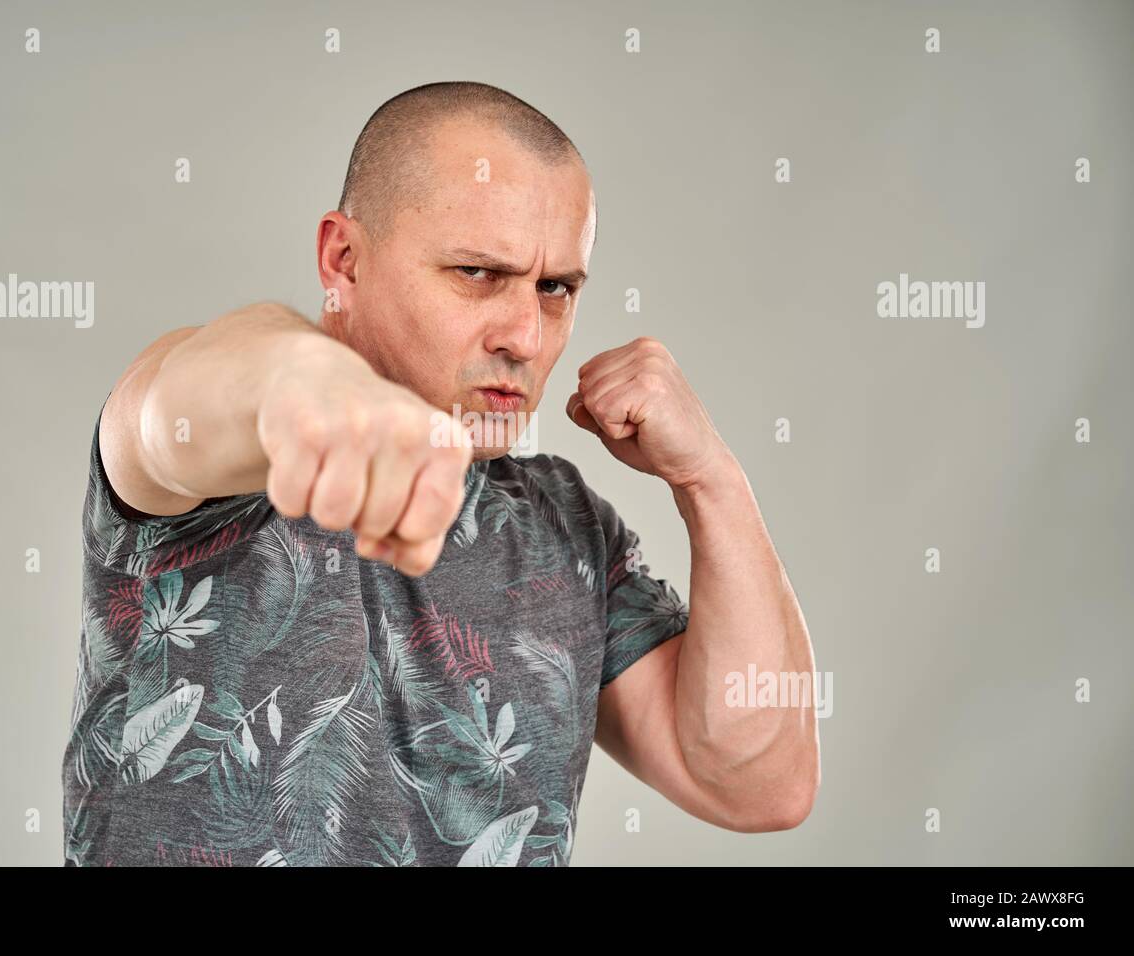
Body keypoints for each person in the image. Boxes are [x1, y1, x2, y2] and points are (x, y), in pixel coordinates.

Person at [62, 81, 820, 867]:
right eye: (477, 274)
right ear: (342, 260)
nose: (526, 335)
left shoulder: (564, 524)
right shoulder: (216, 463)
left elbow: (760, 783)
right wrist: (314, 384)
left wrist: (711, 481)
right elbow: (173, 410)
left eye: (555, 287)